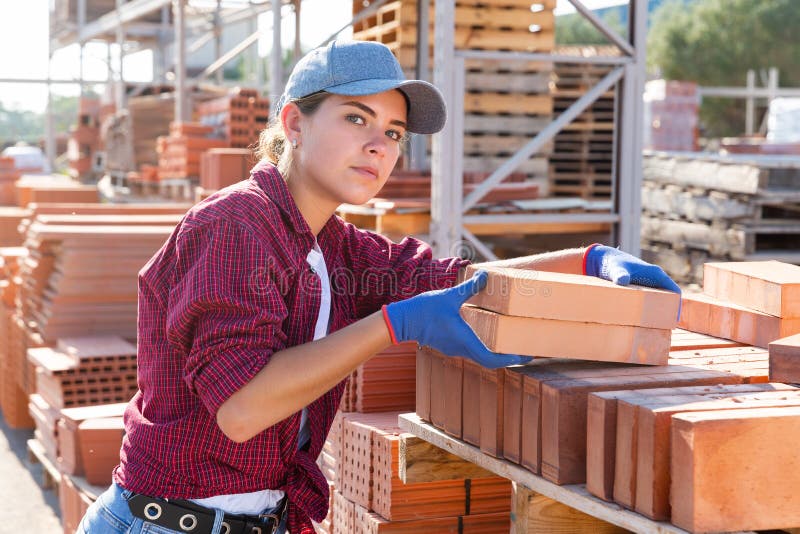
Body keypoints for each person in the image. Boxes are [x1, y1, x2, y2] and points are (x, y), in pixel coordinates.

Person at [77, 40, 680, 534]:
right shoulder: (237, 225)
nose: (378, 145)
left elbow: (459, 281)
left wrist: (589, 261)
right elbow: (242, 409)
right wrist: (392, 324)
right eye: (356, 118)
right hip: (165, 524)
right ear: (294, 122)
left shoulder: (335, 245)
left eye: (393, 132)